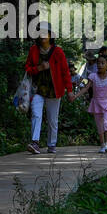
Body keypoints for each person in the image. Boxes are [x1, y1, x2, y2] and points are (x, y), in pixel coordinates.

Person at [24, 24, 71, 154]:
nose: (42, 35)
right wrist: (38, 68)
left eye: (45, 32)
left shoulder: (58, 52)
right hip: (37, 89)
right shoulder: (33, 50)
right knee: (36, 114)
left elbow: (65, 72)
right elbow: (27, 68)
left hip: (55, 91)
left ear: (51, 35)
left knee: (52, 119)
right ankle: (35, 142)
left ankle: (52, 144)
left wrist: (70, 90)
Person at [72, 51, 107, 153]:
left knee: (106, 122)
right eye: (98, 63)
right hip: (96, 104)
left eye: (103, 63)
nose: (100, 65)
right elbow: (86, 88)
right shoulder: (93, 76)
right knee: (99, 125)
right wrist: (75, 96)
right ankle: (102, 145)